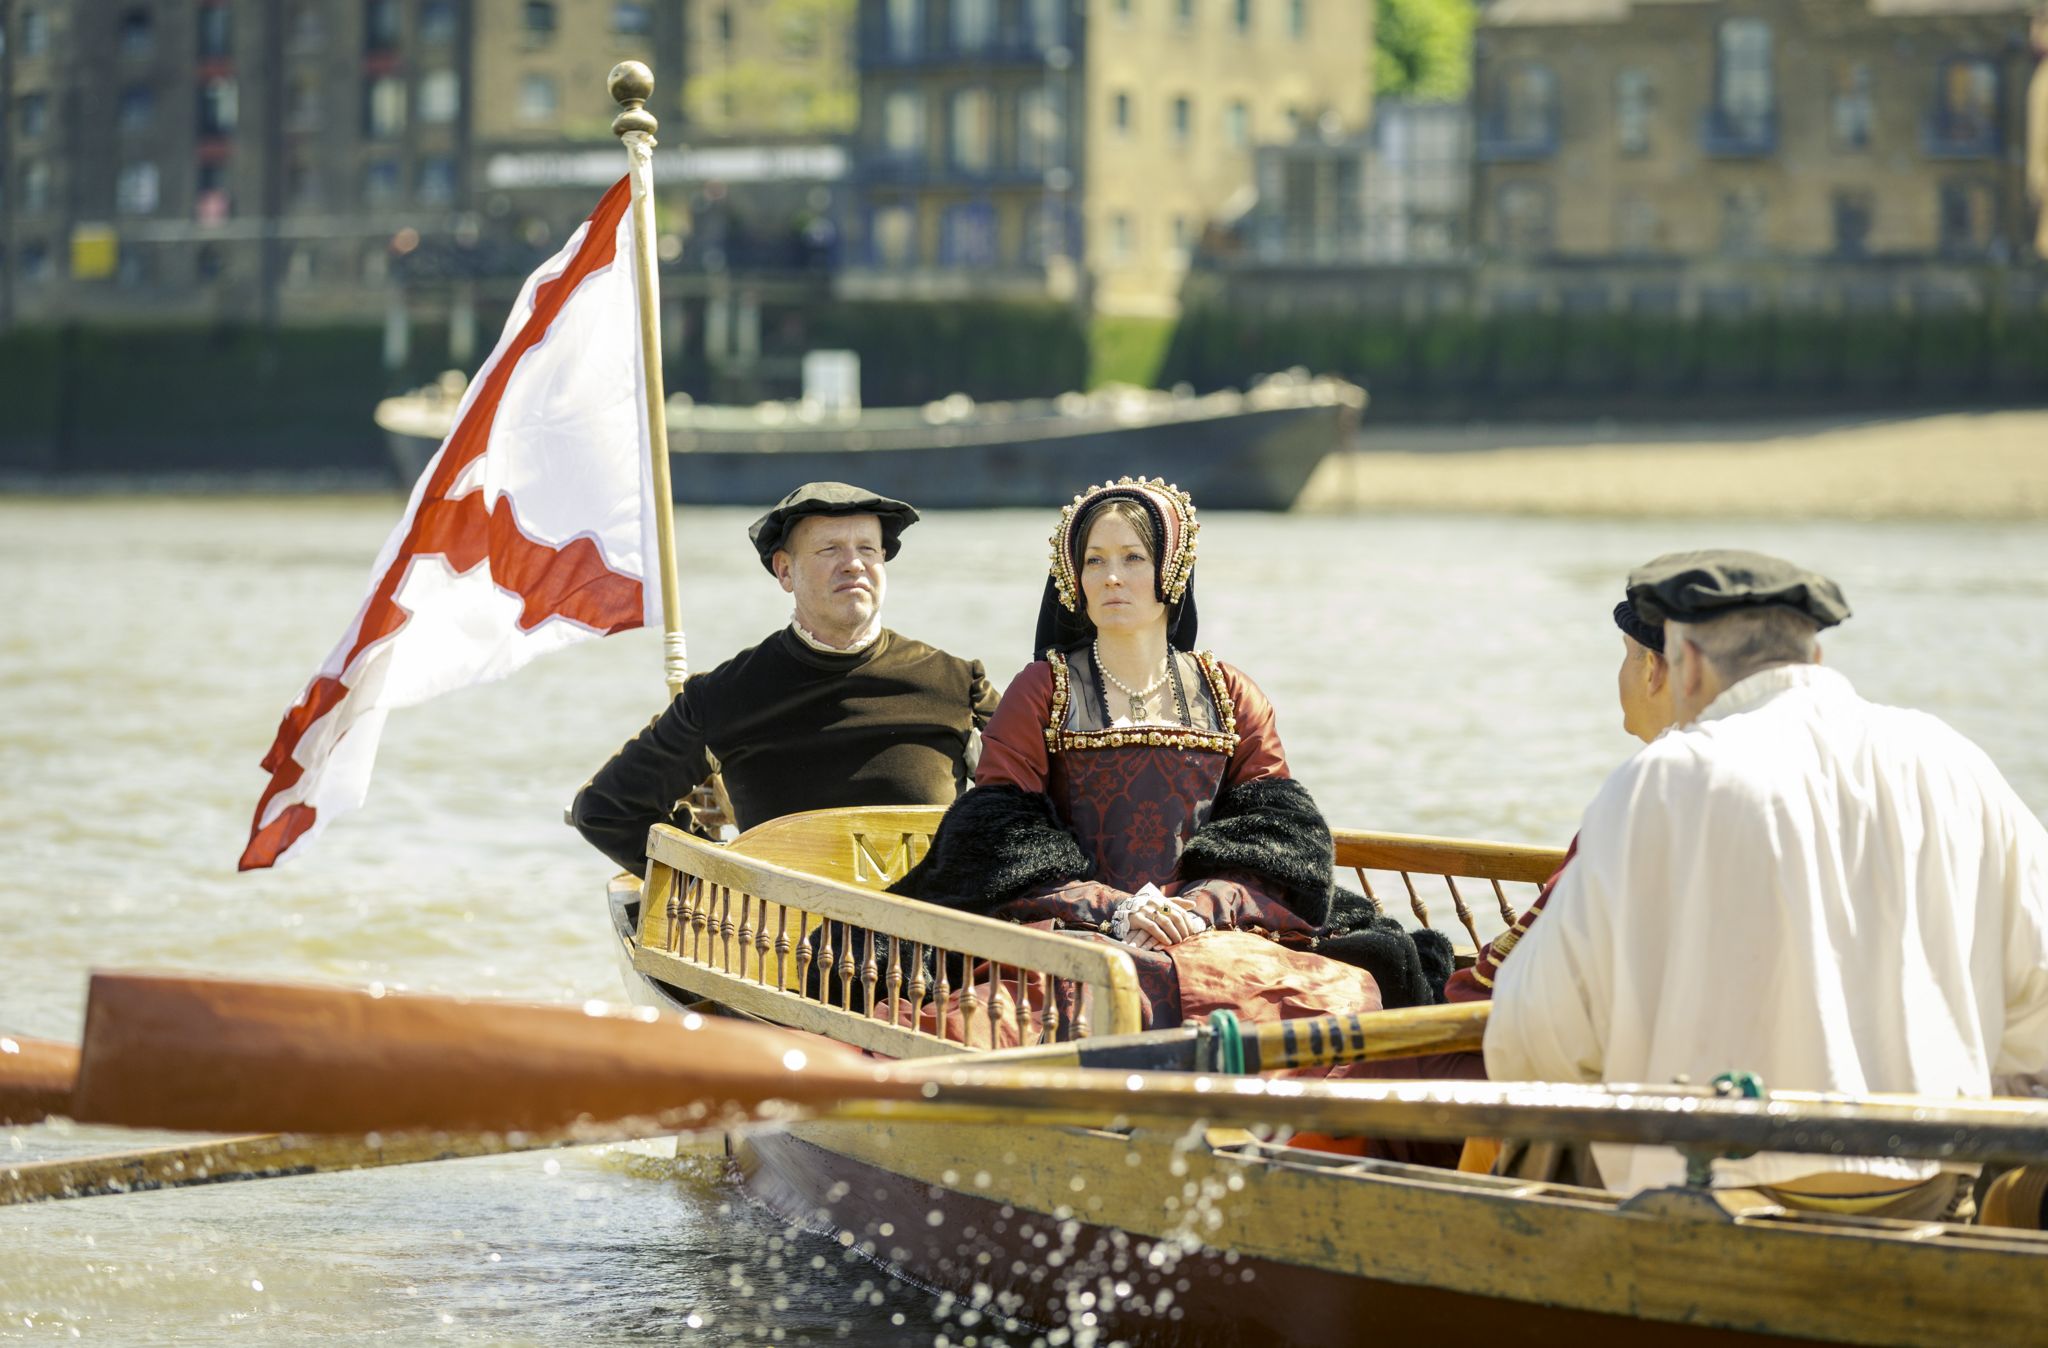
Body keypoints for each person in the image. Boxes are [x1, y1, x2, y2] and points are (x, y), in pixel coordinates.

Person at [1486, 549, 2048, 1213]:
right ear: (1811, 661)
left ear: (1683, 663)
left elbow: (1537, 1040)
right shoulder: (1955, 760)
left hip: (1717, 1210)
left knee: (1531, 1144)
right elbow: (2036, 1012)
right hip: (1926, 1194)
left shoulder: (1666, 778)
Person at [891, 477, 1451, 1032]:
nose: (1112, 577)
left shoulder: (1231, 694)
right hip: (1076, 926)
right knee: (1024, 1017)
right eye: (1094, 560)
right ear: (1073, 576)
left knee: (1331, 992)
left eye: (1133, 557)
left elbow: (1277, 841)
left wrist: (1194, 910)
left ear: (1172, 570)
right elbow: (998, 841)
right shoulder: (1043, 691)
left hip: (1209, 928)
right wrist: (1118, 910)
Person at [571, 482, 999, 875]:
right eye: (830, 549)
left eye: (868, 549)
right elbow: (607, 810)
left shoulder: (955, 684)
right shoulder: (723, 697)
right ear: (784, 572)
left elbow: (1037, 800)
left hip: (937, 944)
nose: (853, 564)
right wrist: (722, 879)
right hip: (781, 946)